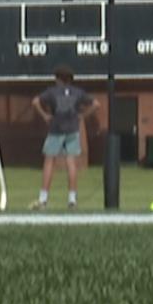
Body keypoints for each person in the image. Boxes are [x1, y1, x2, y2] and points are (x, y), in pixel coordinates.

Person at [30, 66, 98, 209]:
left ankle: (43, 200)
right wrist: (82, 116)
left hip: (56, 129)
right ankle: (72, 200)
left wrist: (45, 116)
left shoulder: (52, 92)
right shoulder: (78, 92)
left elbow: (35, 101)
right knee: (71, 163)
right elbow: (96, 104)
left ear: (58, 79)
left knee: (49, 162)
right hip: (73, 129)